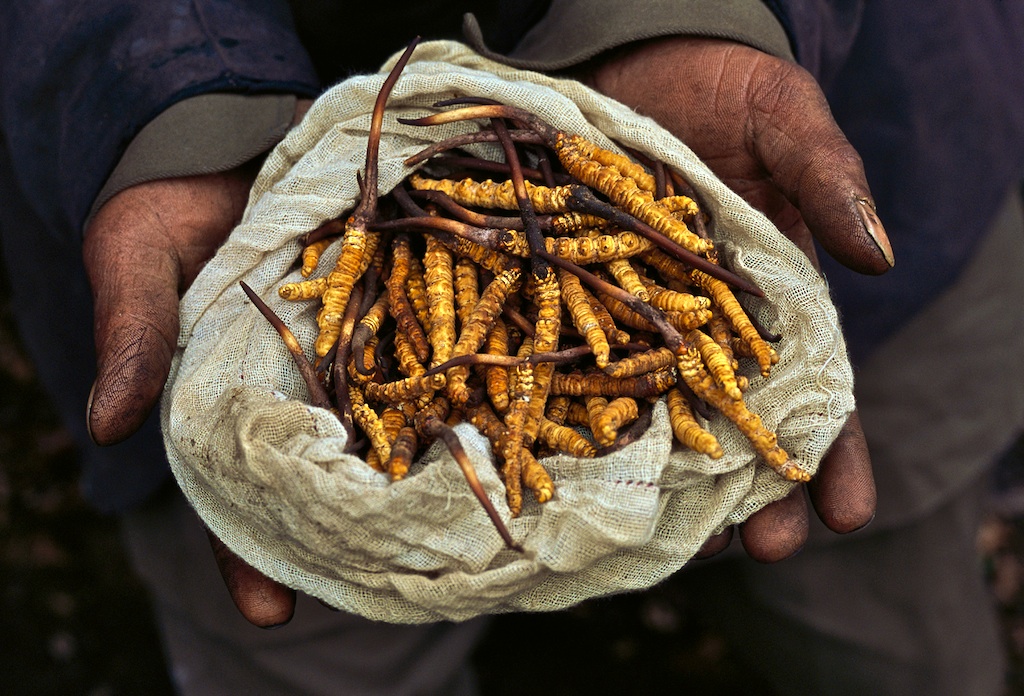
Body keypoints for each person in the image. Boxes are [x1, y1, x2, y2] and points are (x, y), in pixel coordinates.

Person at [1, 1, 1021, 694]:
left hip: (861, 108)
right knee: (313, 604)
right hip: (214, 158)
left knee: (885, 609)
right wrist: (172, 102)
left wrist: (693, 8)